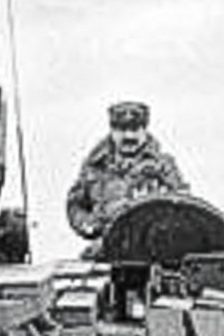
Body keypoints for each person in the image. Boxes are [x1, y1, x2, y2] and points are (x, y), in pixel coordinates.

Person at [65, 101, 189, 245]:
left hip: (151, 250)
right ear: (112, 130)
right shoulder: (95, 166)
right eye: (122, 130)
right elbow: (75, 204)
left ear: (144, 130)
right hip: (106, 249)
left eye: (135, 129)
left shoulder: (162, 165)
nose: (129, 136)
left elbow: (184, 206)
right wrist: (89, 225)